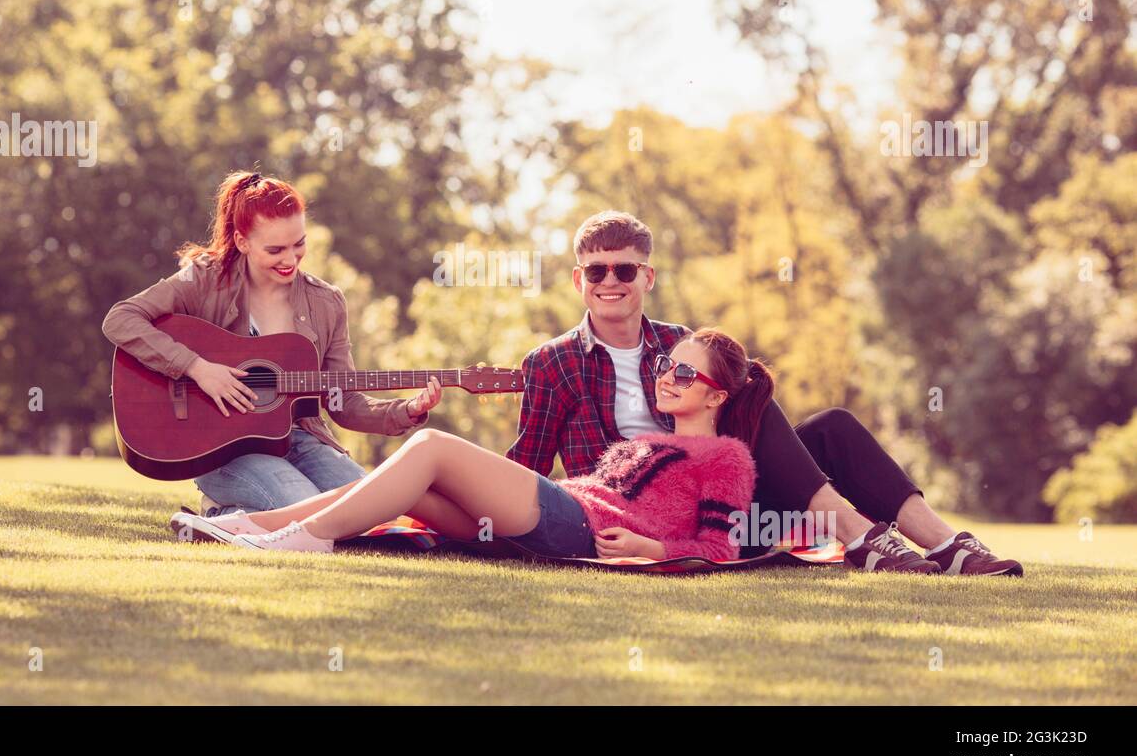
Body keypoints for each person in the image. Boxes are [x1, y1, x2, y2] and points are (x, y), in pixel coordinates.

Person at [503, 210, 1023, 576]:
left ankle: (948, 546)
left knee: (817, 418)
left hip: (724, 510)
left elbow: (736, 426)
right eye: (597, 270)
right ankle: (863, 536)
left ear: (648, 276)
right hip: (643, 520)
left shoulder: (676, 342)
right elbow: (524, 470)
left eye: (625, 269)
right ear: (578, 279)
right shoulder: (551, 363)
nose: (610, 280)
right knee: (750, 391)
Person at [170, 329, 762, 560]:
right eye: (666, 364)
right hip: (559, 508)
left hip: (576, 528)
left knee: (430, 446)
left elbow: (719, 548)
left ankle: (298, 541)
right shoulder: (652, 439)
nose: (665, 376)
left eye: (685, 374)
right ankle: (253, 526)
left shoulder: (728, 458)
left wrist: (649, 548)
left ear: (717, 397)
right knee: (407, 483)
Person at [101, 171, 441, 519]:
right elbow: (121, 319)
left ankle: (240, 517)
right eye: (275, 249)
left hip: (301, 439)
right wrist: (197, 368)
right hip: (222, 448)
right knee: (308, 512)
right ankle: (221, 515)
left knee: (372, 512)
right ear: (242, 241)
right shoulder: (204, 278)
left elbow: (343, 402)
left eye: (299, 245)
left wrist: (406, 410)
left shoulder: (326, 302)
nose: (291, 260)